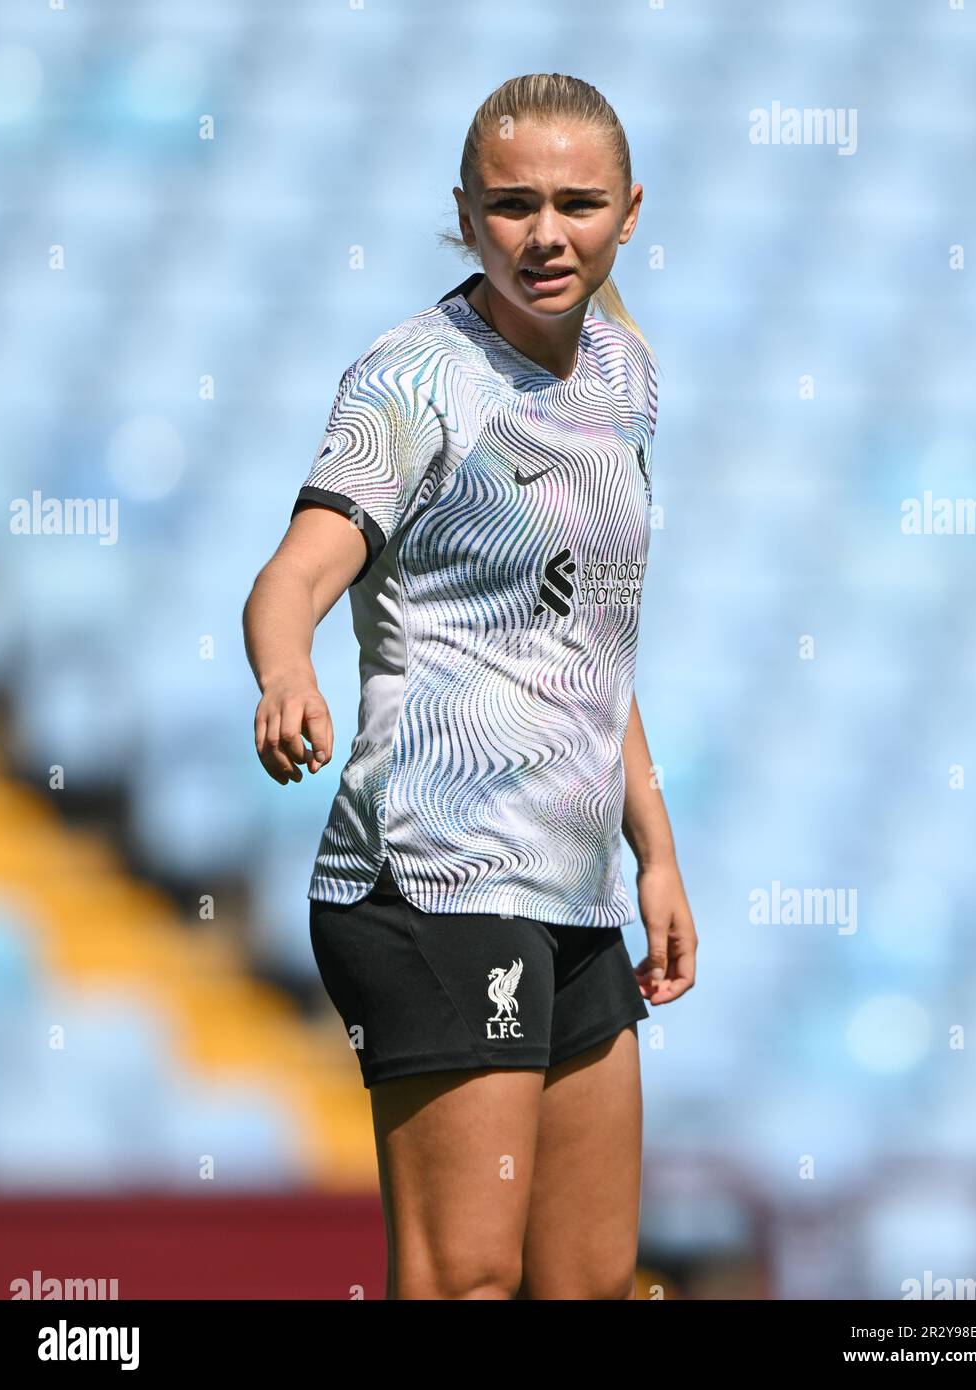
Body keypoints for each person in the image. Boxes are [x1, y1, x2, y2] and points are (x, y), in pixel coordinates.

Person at [243, 73, 698, 1301]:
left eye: (575, 203)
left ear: (629, 210)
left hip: (573, 882)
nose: (543, 233)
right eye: (509, 204)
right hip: (436, 872)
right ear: (463, 210)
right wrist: (285, 672)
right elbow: (290, 578)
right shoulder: (412, 380)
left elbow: (590, 642)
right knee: (467, 1281)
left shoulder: (624, 373)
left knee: (587, 1285)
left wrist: (651, 852)